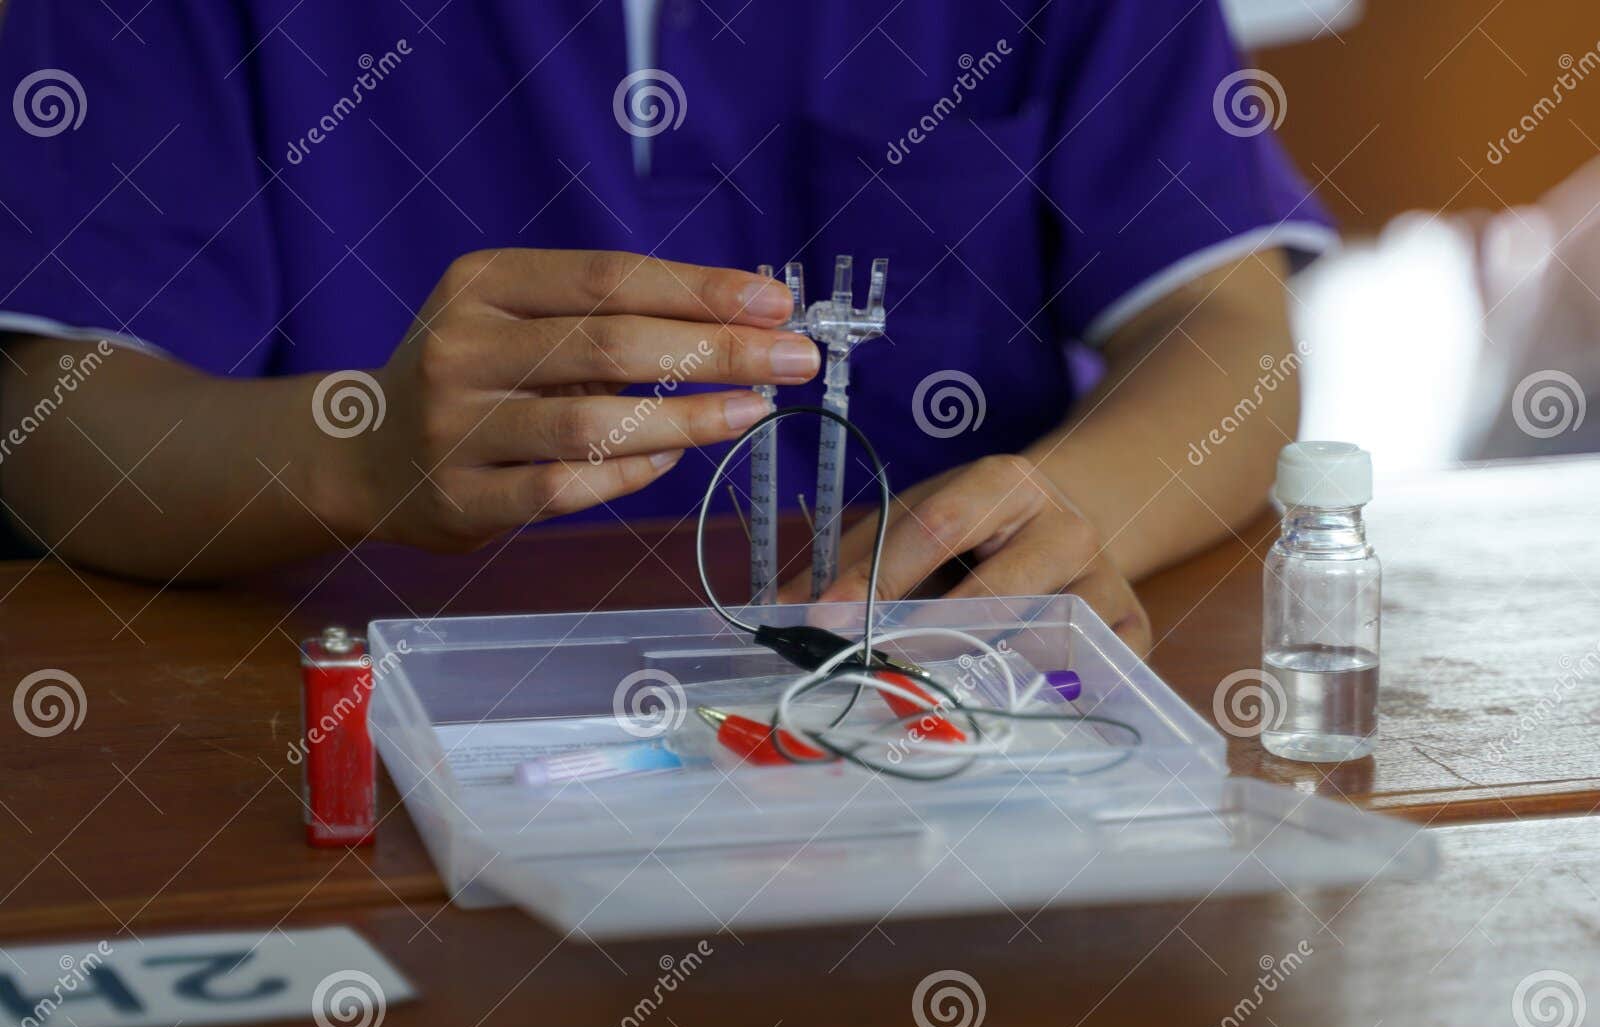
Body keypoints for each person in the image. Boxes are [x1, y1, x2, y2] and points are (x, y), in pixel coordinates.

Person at [0, 1, 1334, 655]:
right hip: (339, 744)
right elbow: (50, 414)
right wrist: (353, 450)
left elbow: (1223, 319)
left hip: (926, 747)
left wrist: (1070, 510)